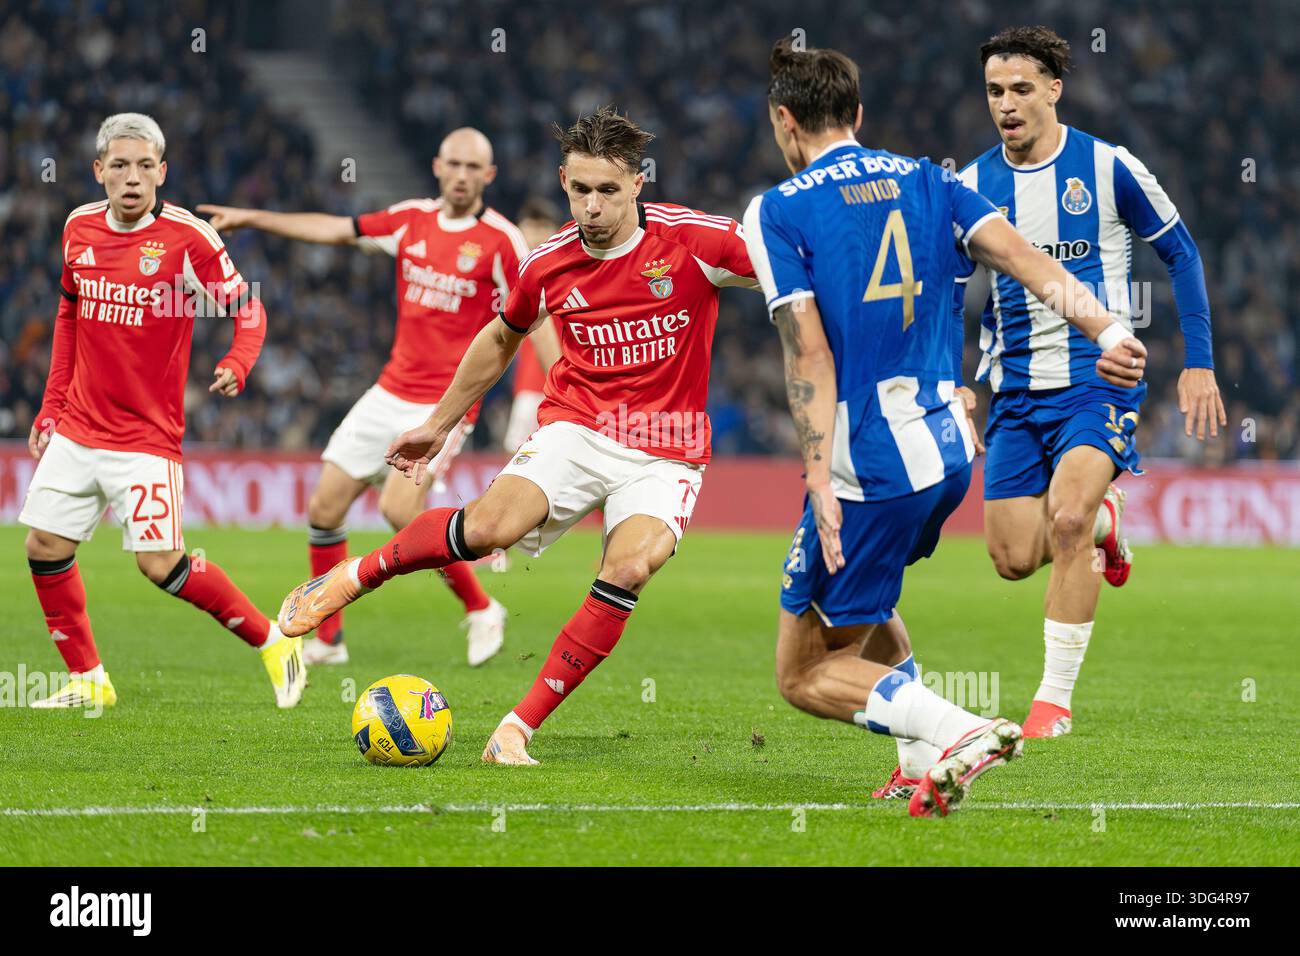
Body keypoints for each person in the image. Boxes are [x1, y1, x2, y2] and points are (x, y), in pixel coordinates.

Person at [277, 107, 759, 765]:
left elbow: (792, 268)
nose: (592, 206)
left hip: (667, 446)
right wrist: (437, 424)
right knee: (490, 529)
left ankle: (514, 729)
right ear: (564, 181)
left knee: (630, 564)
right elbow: (502, 336)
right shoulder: (548, 263)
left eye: (608, 191)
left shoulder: (697, 241)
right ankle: (353, 578)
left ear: (637, 184)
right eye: (580, 190)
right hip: (578, 427)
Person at [744, 38, 1147, 816]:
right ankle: (915, 755)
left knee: (801, 672)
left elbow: (811, 355)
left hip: (869, 459)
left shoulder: (780, 208)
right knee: (870, 597)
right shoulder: (934, 180)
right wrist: (1107, 332)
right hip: (951, 449)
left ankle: (961, 731)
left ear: (785, 122)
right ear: (858, 115)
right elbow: (1027, 261)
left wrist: (820, 478)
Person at [955, 26, 1224, 738]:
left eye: (1019, 89)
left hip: (1098, 380)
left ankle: (1052, 703)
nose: (1006, 104)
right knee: (1013, 559)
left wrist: (1199, 363)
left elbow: (1183, 255)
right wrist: (949, 381)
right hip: (1015, 389)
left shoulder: (1109, 168)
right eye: (993, 91)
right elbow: (948, 294)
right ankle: (1107, 524)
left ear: (1054, 89)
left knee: (1065, 517)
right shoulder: (972, 186)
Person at [199, 128, 538, 667]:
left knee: (399, 510)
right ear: (437, 166)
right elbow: (336, 230)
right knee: (324, 506)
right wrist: (252, 217)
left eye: (473, 167)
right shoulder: (410, 221)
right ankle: (329, 641)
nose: (462, 175)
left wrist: (548, 382)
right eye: (454, 163)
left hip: (444, 405)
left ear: (488, 176)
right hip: (388, 391)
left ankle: (481, 607)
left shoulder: (502, 241)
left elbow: (532, 316)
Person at [21, 113, 304, 709]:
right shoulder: (77, 229)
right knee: (44, 545)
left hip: (145, 437)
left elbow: (249, 308)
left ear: (162, 172)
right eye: (119, 166)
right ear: (99, 171)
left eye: (145, 166)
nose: (132, 178)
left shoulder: (188, 238)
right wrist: (49, 409)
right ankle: (88, 680)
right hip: (76, 427)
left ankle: (272, 641)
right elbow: (68, 319)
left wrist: (239, 360)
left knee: (161, 564)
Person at [504, 197, 564, 453]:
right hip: (528, 384)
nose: (537, 234)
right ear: (519, 230)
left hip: (561, 385)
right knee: (515, 456)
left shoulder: (566, 273)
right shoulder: (509, 273)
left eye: (544, 227)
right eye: (531, 226)